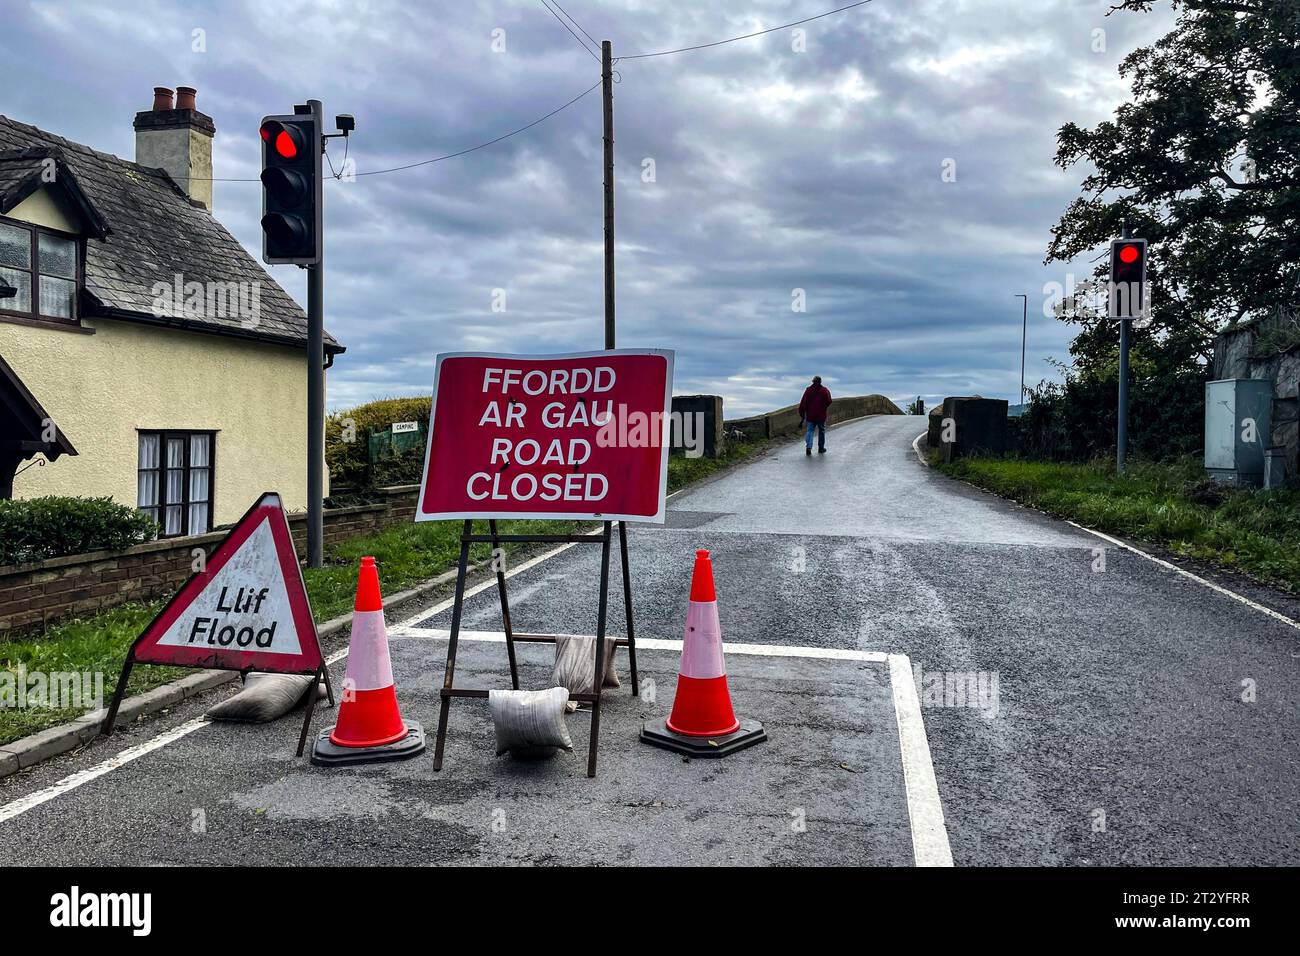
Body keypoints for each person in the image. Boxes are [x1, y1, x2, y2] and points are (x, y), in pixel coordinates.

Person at [798, 375, 832, 455]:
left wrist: (802, 415)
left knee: (810, 430)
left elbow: (803, 404)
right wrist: (823, 407)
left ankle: (808, 447)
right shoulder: (824, 390)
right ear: (820, 382)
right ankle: (821, 448)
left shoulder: (808, 390)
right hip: (821, 415)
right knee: (821, 431)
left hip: (811, 415)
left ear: (813, 381)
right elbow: (829, 401)